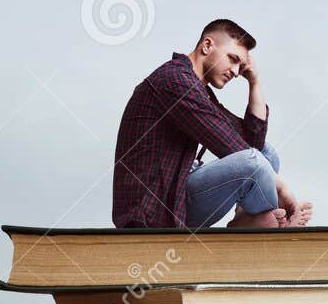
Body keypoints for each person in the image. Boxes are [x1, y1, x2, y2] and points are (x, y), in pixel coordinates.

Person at [112, 18, 312, 229]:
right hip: (158, 208)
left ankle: (250, 220)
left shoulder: (199, 90)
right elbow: (230, 145)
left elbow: (253, 139)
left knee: (265, 153)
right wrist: (280, 188)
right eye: (233, 59)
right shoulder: (174, 80)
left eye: (241, 66)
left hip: (179, 192)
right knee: (254, 162)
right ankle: (268, 223)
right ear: (207, 46)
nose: (236, 72)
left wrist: (254, 82)